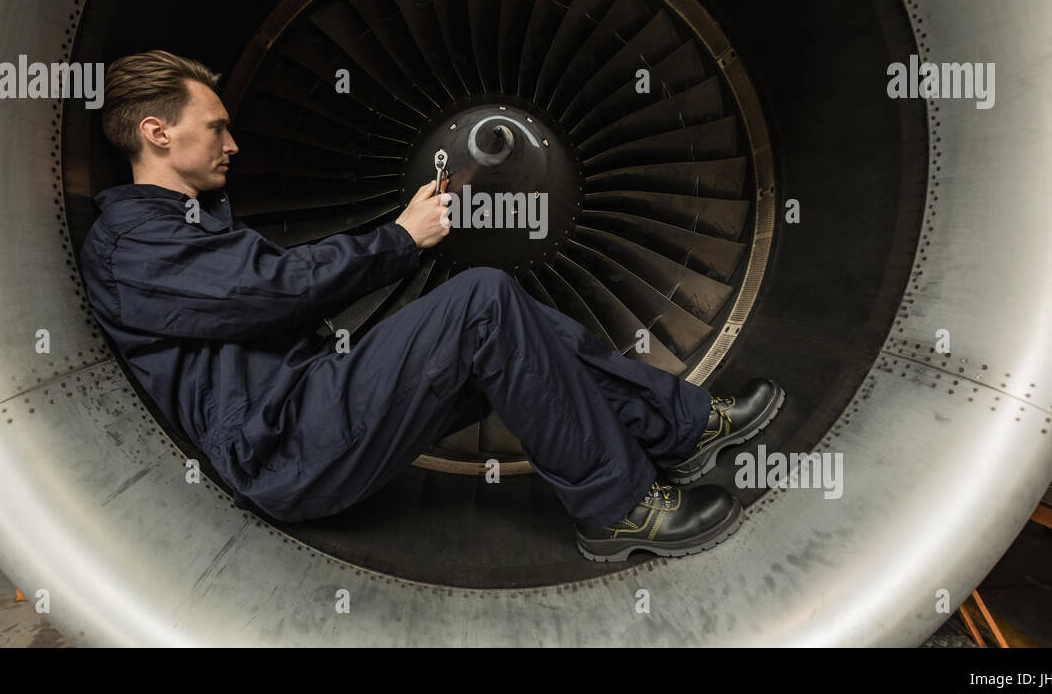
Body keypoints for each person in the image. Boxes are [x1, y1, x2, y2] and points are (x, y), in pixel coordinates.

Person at [78, 49, 786, 561]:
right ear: (157, 133)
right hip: (285, 448)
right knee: (480, 299)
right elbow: (273, 288)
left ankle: (683, 431)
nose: (232, 143)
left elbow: (266, 287)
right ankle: (618, 511)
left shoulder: (179, 230)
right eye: (216, 127)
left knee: (513, 322)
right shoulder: (133, 243)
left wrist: (399, 236)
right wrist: (398, 241)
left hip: (310, 414)